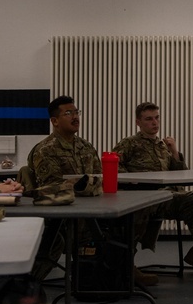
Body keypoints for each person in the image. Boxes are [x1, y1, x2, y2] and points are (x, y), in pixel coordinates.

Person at [26, 96, 161, 284]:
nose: (75, 117)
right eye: (68, 113)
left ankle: (121, 266)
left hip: (94, 208)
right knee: (104, 227)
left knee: (136, 212)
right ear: (54, 121)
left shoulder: (85, 146)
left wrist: (89, 185)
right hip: (66, 214)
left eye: (76, 112)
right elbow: (52, 189)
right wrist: (88, 185)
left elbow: (101, 178)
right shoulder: (45, 150)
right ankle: (108, 271)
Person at [113, 102, 193, 282]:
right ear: (138, 122)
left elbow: (181, 175)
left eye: (157, 118)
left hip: (172, 194)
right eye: (149, 119)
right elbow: (113, 166)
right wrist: (134, 181)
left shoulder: (162, 146)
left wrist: (175, 152)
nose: (154, 123)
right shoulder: (130, 143)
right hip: (148, 197)